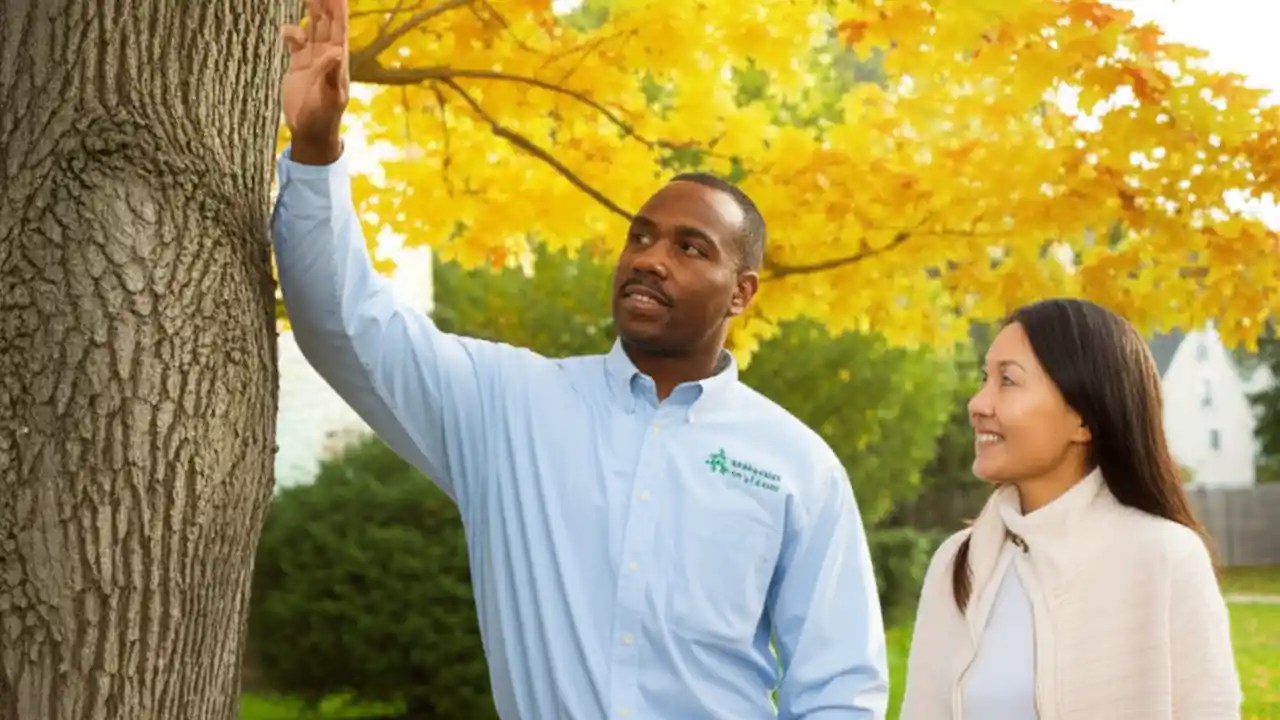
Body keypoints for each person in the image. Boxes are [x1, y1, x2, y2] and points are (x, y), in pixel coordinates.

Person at [272, 1, 889, 717]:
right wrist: (315, 149)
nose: (650, 259)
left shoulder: (796, 465)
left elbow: (840, 690)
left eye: (690, 248)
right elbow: (344, 323)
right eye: (640, 237)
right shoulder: (511, 407)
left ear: (741, 292)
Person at [901, 298, 1242, 719]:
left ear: (1083, 419)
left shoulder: (1165, 556)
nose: (978, 404)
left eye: (1007, 380)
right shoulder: (957, 562)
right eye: (984, 379)